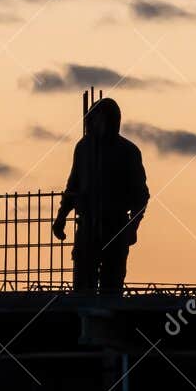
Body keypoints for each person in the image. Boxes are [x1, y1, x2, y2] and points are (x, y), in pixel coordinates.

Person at [51, 98, 150, 293]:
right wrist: (61, 216)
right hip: (87, 227)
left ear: (108, 121)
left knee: (111, 287)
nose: (88, 125)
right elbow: (74, 185)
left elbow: (141, 196)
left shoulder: (127, 152)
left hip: (115, 227)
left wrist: (132, 226)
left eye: (94, 120)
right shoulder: (84, 148)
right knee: (82, 287)